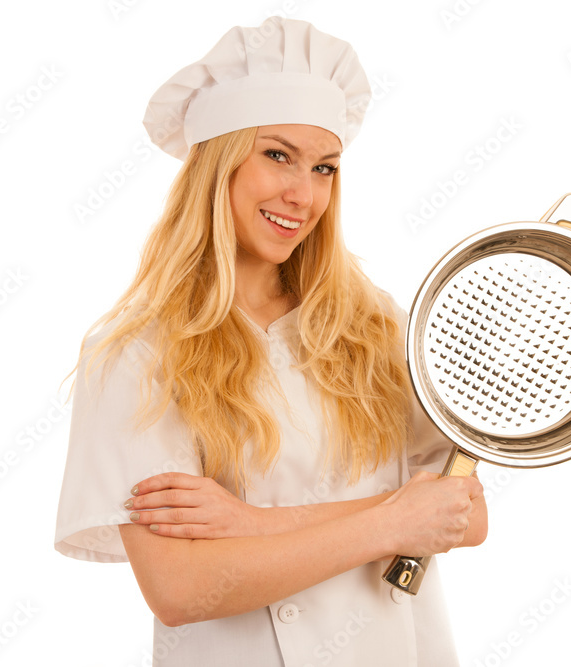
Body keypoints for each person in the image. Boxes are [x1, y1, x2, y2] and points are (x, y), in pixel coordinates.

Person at [53, 16, 487, 667]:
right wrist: (394, 522)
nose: (303, 194)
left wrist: (253, 525)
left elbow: (463, 514)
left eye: (325, 167)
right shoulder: (135, 354)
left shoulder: (376, 327)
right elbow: (180, 586)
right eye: (277, 155)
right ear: (217, 163)